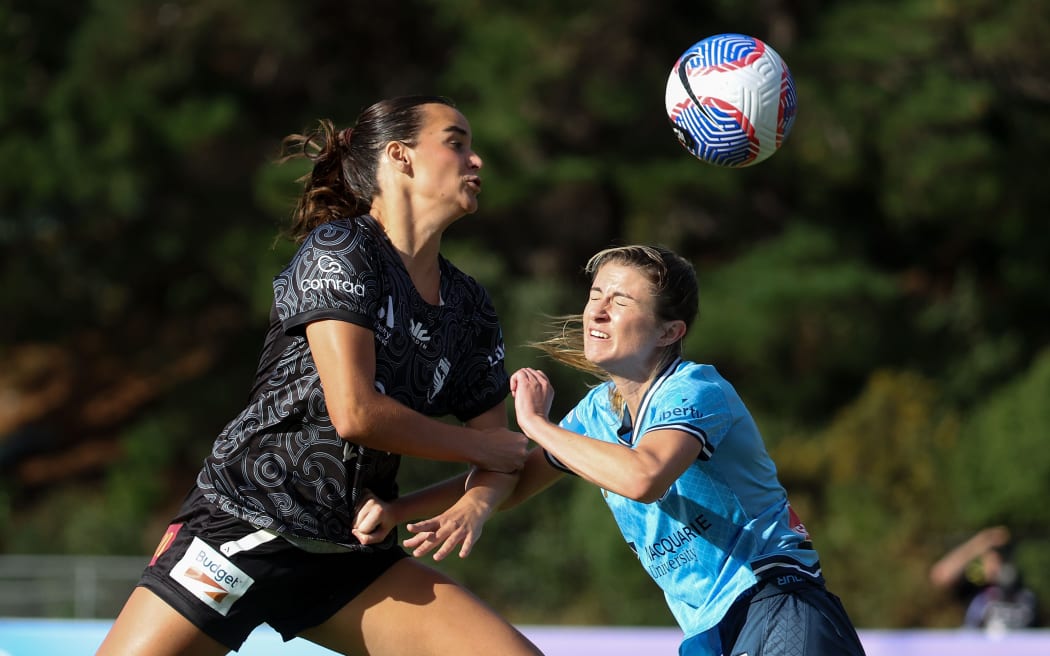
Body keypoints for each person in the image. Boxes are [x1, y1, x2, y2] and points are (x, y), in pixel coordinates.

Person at [97, 95, 543, 656]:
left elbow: (497, 456)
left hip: (350, 556)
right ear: (400, 156)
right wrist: (487, 454)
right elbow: (357, 415)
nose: (477, 161)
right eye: (456, 143)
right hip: (243, 529)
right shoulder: (341, 248)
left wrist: (476, 502)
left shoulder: (469, 304)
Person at [354, 244, 868, 655]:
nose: (596, 309)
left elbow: (644, 479)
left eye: (620, 301)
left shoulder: (695, 390)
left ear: (670, 330)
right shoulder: (597, 413)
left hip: (775, 598)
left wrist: (535, 423)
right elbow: (512, 479)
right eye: (596, 294)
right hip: (708, 629)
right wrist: (401, 510)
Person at [929, 526, 1040, 631]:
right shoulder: (974, 590)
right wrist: (979, 543)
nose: (991, 564)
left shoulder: (1023, 593)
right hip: (979, 650)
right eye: (987, 558)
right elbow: (940, 575)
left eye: (997, 558)